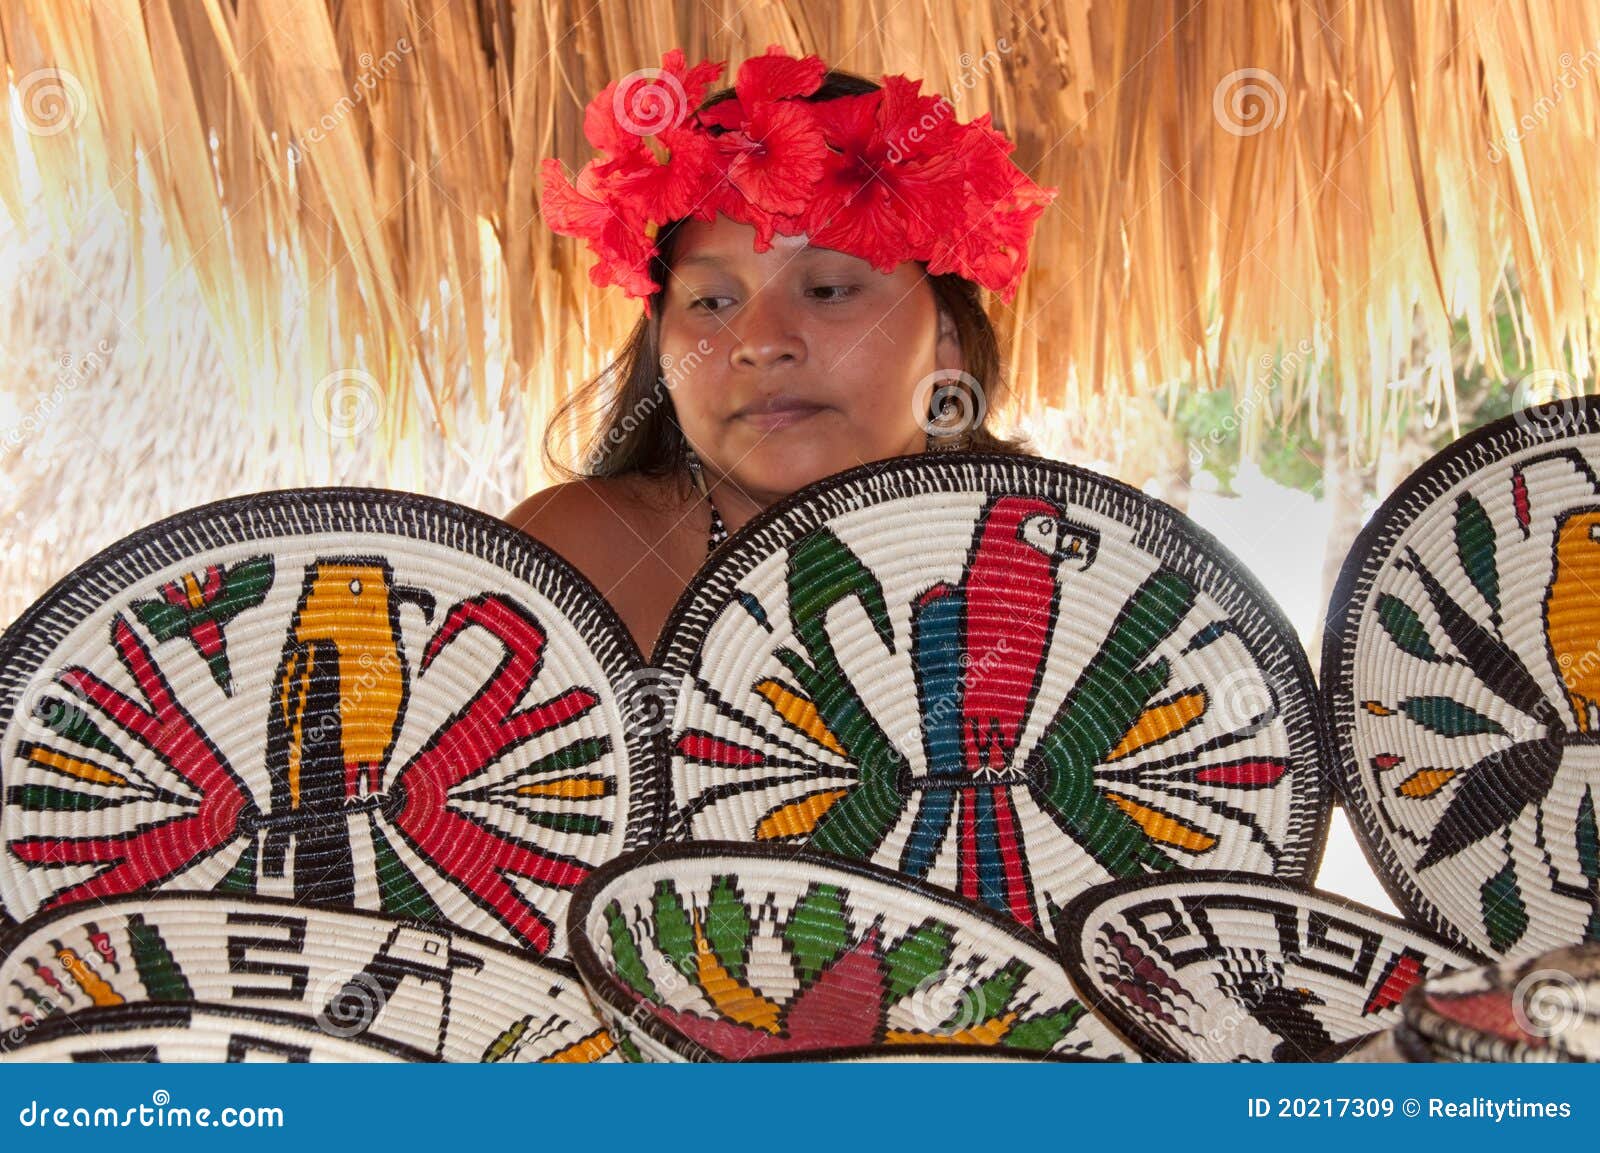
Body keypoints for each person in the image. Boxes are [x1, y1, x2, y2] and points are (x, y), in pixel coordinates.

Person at [506, 45, 1056, 657]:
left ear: (946, 339)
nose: (762, 344)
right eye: (711, 302)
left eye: (828, 290)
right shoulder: (563, 568)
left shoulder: (1073, 574)